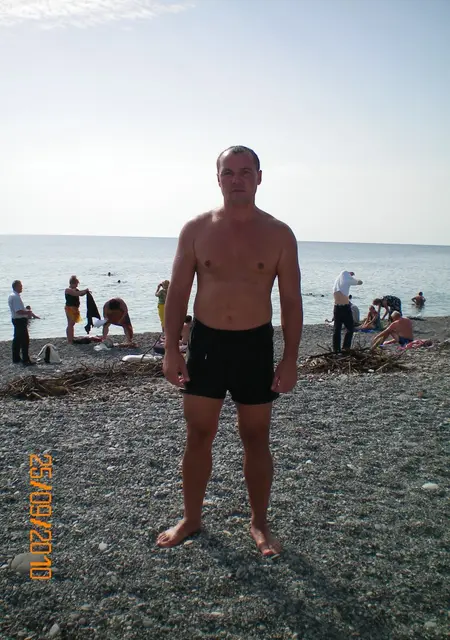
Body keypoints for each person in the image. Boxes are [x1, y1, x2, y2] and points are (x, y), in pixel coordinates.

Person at [157, 145, 303, 556]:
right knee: (198, 434)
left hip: (254, 344)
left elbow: (291, 300)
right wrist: (172, 350)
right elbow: (178, 292)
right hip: (207, 344)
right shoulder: (196, 229)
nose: (237, 179)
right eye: (228, 172)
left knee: (256, 437)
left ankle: (259, 523)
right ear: (218, 178)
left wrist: (290, 358)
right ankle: (191, 518)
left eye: (245, 171)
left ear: (259, 177)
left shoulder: (279, 234)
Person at [332, 270, 363, 353]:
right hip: (345, 307)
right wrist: (356, 279)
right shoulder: (347, 280)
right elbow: (359, 282)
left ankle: (336, 349)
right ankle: (346, 347)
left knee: (337, 329)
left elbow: (344, 274)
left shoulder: (337, 281)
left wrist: (349, 274)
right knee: (350, 328)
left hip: (336, 307)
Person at [8, 280, 38, 365]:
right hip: (19, 320)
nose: (22, 287)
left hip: (16, 319)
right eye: (20, 286)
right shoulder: (15, 297)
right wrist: (27, 312)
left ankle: (16, 358)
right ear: (16, 286)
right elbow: (18, 311)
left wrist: (26, 311)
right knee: (24, 340)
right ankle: (25, 359)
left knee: (17, 339)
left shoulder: (12, 295)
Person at [65, 276, 89, 344]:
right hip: (70, 308)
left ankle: (71, 338)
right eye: (76, 284)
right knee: (70, 323)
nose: (77, 285)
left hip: (75, 308)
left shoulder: (76, 289)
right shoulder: (68, 290)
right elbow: (76, 294)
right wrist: (84, 291)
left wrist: (86, 292)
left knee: (72, 324)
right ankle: (69, 340)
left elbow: (81, 294)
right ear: (72, 283)